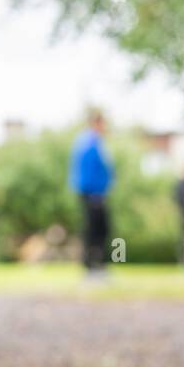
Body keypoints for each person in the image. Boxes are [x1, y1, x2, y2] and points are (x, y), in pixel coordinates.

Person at [69, 109, 113, 276]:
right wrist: (95, 193)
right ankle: (92, 267)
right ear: (96, 123)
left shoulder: (95, 142)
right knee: (94, 230)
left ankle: (100, 265)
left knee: (102, 229)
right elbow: (88, 172)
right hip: (93, 193)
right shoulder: (88, 143)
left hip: (97, 193)